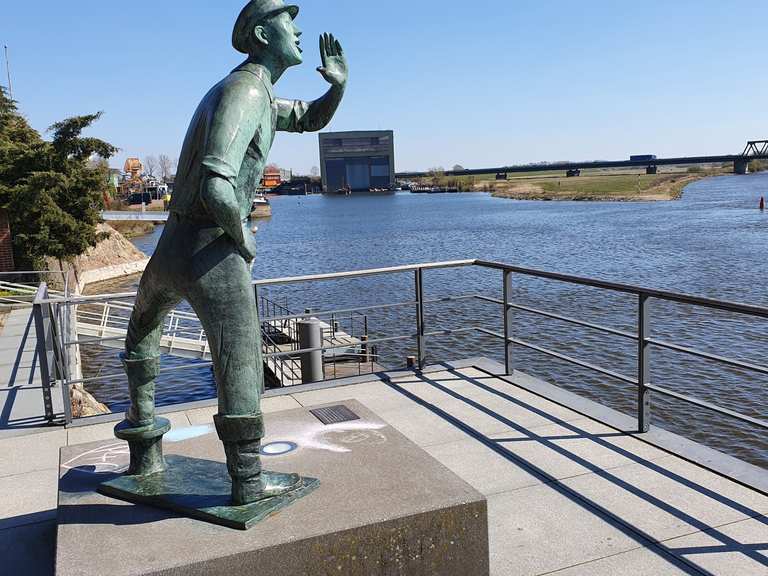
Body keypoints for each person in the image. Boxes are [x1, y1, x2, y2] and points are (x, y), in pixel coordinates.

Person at [118, 0, 348, 505]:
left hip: (172, 245)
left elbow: (307, 118)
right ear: (263, 34)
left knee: (142, 332)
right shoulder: (245, 93)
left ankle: (144, 452)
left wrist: (336, 87)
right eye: (290, 21)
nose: (299, 29)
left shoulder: (257, 92)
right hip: (209, 245)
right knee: (240, 360)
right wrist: (241, 239)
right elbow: (217, 183)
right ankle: (246, 481)